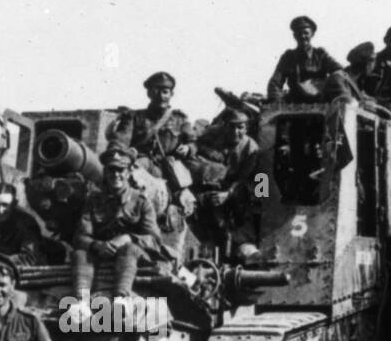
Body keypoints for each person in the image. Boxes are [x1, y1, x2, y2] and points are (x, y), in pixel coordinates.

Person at [69, 146, 170, 308]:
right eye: (111, 170)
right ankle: (80, 302)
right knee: (80, 253)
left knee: (129, 248)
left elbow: (154, 240)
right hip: (100, 253)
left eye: (120, 170)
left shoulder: (141, 202)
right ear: (106, 173)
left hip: (133, 256)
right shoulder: (94, 200)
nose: (116, 175)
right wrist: (97, 244)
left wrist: (128, 238)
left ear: (129, 172)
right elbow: (80, 237)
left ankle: (121, 299)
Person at [193, 108, 263, 263]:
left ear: (246, 128)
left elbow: (244, 179)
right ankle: (208, 246)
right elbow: (196, 144)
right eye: (232, 126)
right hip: (214, 182)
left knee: (243, 208)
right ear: (224, 125)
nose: (235, 131)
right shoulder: (213, 134)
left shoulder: (251, 148)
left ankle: (244, 246)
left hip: (238, 188)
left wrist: (228, 194)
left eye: (240, 127)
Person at [109, 71, 195, 174]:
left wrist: (188, 148)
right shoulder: (133, 117)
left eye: (165, 91)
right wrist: (118, 155)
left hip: (170, 171)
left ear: (171, 94)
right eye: (155, 90)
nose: (160, 96)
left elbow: (194, 142)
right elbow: (120, 141)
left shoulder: (180, 120)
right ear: (149, 93)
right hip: (141, 167)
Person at [266, 16, 347, 103]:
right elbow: (275, 83)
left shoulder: (321, 54)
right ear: (294, 36)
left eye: (306, 33)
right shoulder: (288, 57)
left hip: (321, 102)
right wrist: (277, 103)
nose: (302, 36)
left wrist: (321, 84)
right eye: (299, 33)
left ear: (312, 34)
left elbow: (339, 71)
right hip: (295, 104)